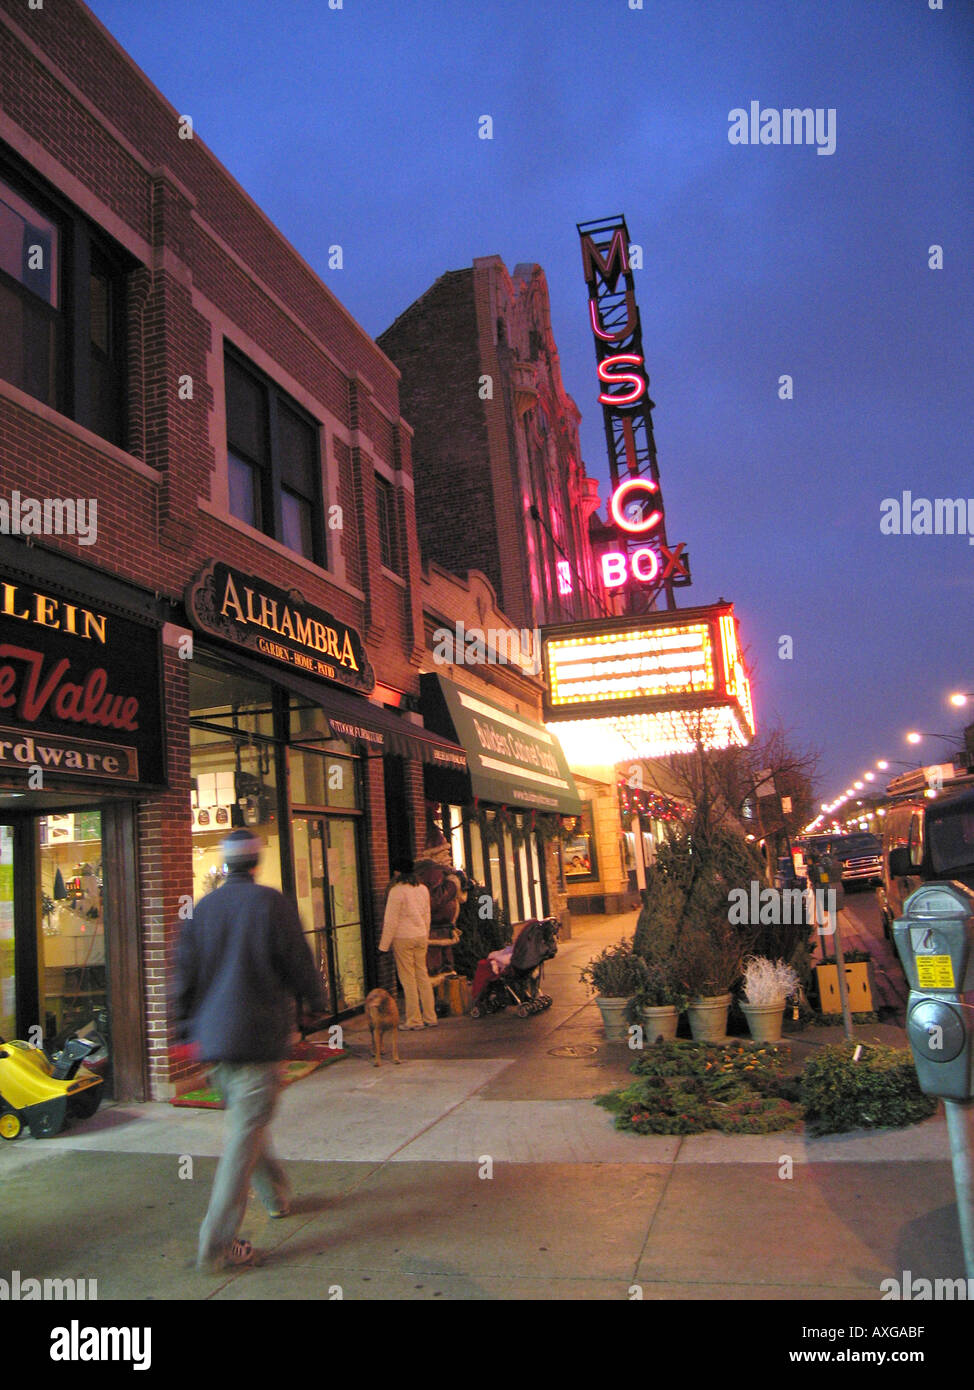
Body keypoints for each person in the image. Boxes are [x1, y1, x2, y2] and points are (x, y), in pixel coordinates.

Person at [171, 828, 327, 1273]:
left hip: (216, 1043)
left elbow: (183, 975)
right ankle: (216, 1246)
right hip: (258, 1038)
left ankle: (276, 1196)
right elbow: (299, 960)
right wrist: (314, 1006)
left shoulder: (203, 910)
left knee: (249, 1121)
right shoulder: (272, 904)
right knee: (244, 1138)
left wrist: (185, 1031)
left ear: (225, 866)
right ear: (255, 864)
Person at [379, 857, 437, 1029]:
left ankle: (414, 1020)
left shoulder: (396, 891)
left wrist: (383, 946)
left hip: (403, 937)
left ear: (397, 873)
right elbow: (427, 915)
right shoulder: (423, 889)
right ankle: (430, 1016)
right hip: (420, 935)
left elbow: (391, 921)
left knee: (408, 979)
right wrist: (424, 934)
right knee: (422, 975)